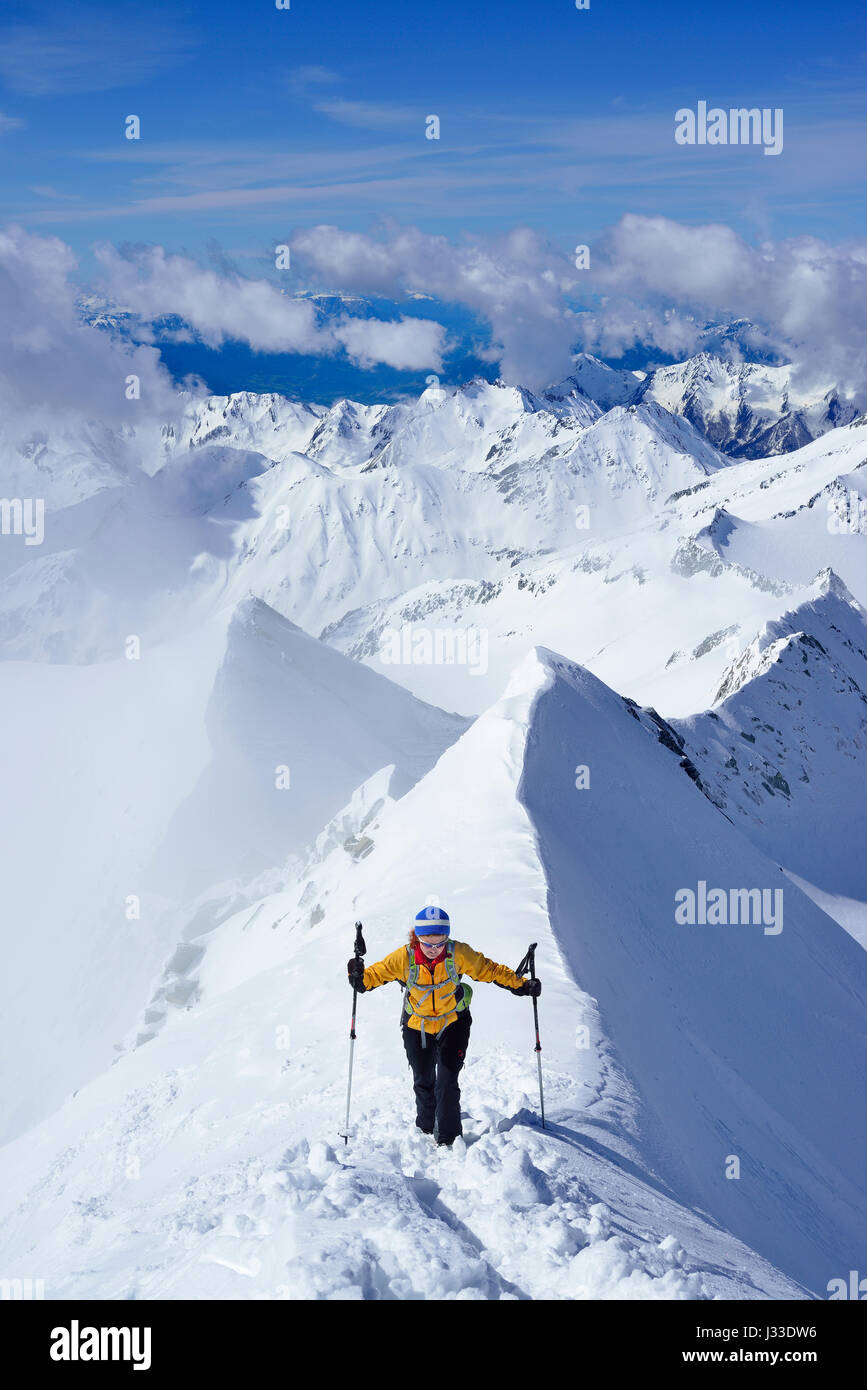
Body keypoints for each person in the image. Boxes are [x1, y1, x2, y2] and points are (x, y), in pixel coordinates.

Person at [346, 905, 541, 1147]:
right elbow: (374, 976)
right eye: (427, 943)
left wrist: (521, 985)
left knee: (447, 1080)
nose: (433, 949)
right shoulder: (404, 958)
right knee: (423, 1079)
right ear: (417, 938)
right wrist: (357, 976)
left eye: (439, 942)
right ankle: (425, 1131)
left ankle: (449, 1141)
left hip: (453, 1023)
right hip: (417, 1026)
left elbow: (488, 969)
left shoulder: (458, 953)